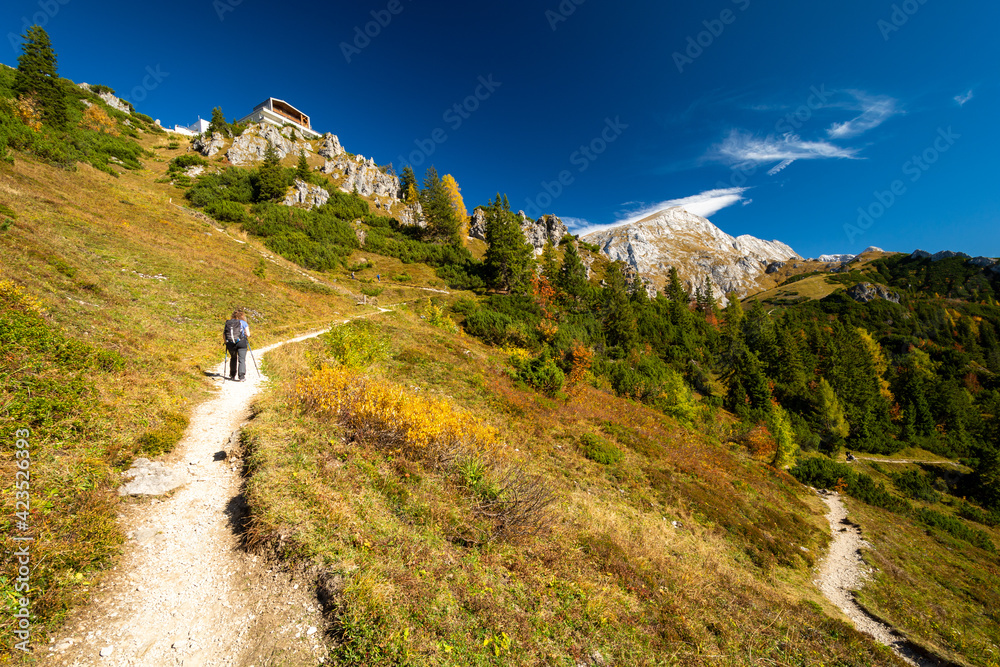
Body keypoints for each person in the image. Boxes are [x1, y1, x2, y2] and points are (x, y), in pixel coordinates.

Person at [223, 309, 250, 381]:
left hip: (230, 343)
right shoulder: (243, 323)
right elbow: (248, 334)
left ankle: (232, 375)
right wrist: (245, 335)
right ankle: (241, 376)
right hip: (241, 343)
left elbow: (224, 334)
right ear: (242, 315)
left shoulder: (228, 323)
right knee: (241, 359)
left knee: (233, 358)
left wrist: (226, 342)